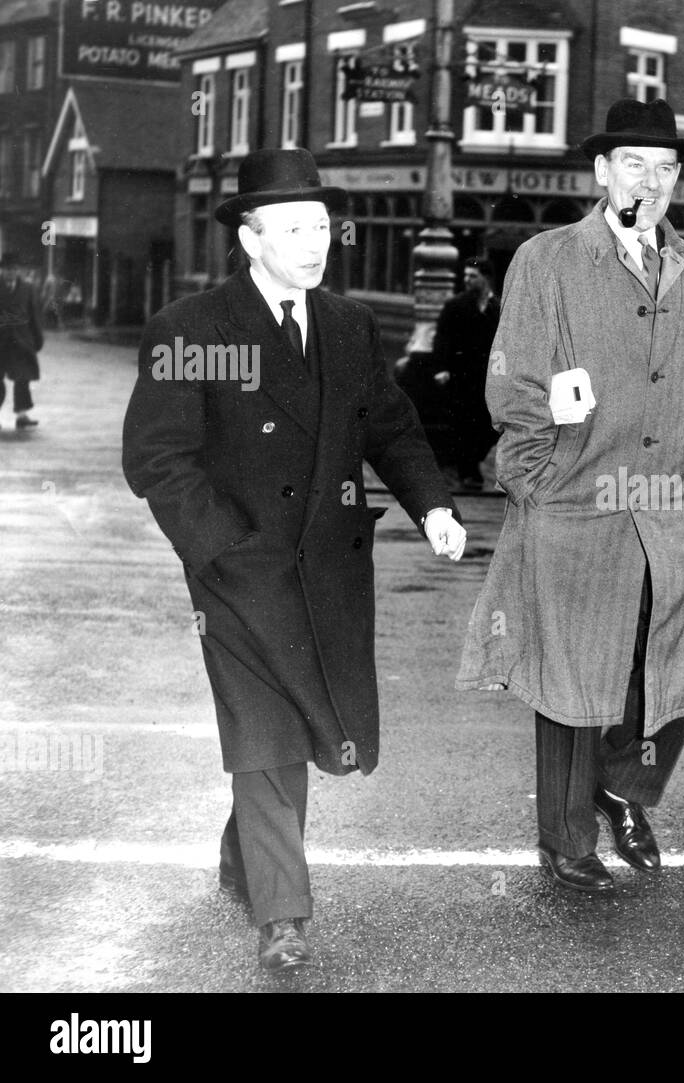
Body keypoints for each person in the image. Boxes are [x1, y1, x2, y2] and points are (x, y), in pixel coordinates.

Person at [122, 149, 466, 970]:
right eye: (294, 228)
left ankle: (248, 857)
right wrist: (221, 548)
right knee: (267, 727)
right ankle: (285, 913)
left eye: (321, 227)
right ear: (249, 237)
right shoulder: (194, 329)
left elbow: (389, 425)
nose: (316, 243)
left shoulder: (348, 326)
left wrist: (436, 506)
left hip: (327, 569)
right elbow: (157, 457)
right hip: (238, 574)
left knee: (310, 716)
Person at [456, 98, 684, 891]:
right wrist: (540, 452)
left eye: (665, 168)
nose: (650, 182)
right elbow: (509, 383)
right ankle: (566, 841)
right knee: (573, 677)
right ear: (600, 172)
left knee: (677, 663)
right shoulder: (547, 260)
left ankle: (622, 786)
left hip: (672, 504)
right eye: (634, 164)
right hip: (577, 498)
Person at [429, 258, 501, 490]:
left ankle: (473, 464)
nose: (467, 281)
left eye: (472, 276)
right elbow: (442, 338)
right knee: (463, 425)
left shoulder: (498, 307)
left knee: (489, 426)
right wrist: (441, 368)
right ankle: (469, 472)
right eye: (466, 276)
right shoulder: (455, 305)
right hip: (461, 377)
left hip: (488, 378)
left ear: (486, 278)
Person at [0, 253, 43, 430]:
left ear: (19, 271)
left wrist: (37, 339)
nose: (11, 273)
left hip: (21, 341)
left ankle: (22, 415)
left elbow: (34, 316)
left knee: (23, 378)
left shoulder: (27, 288)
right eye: (8, 269)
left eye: (15, 269)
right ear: (2, 270)